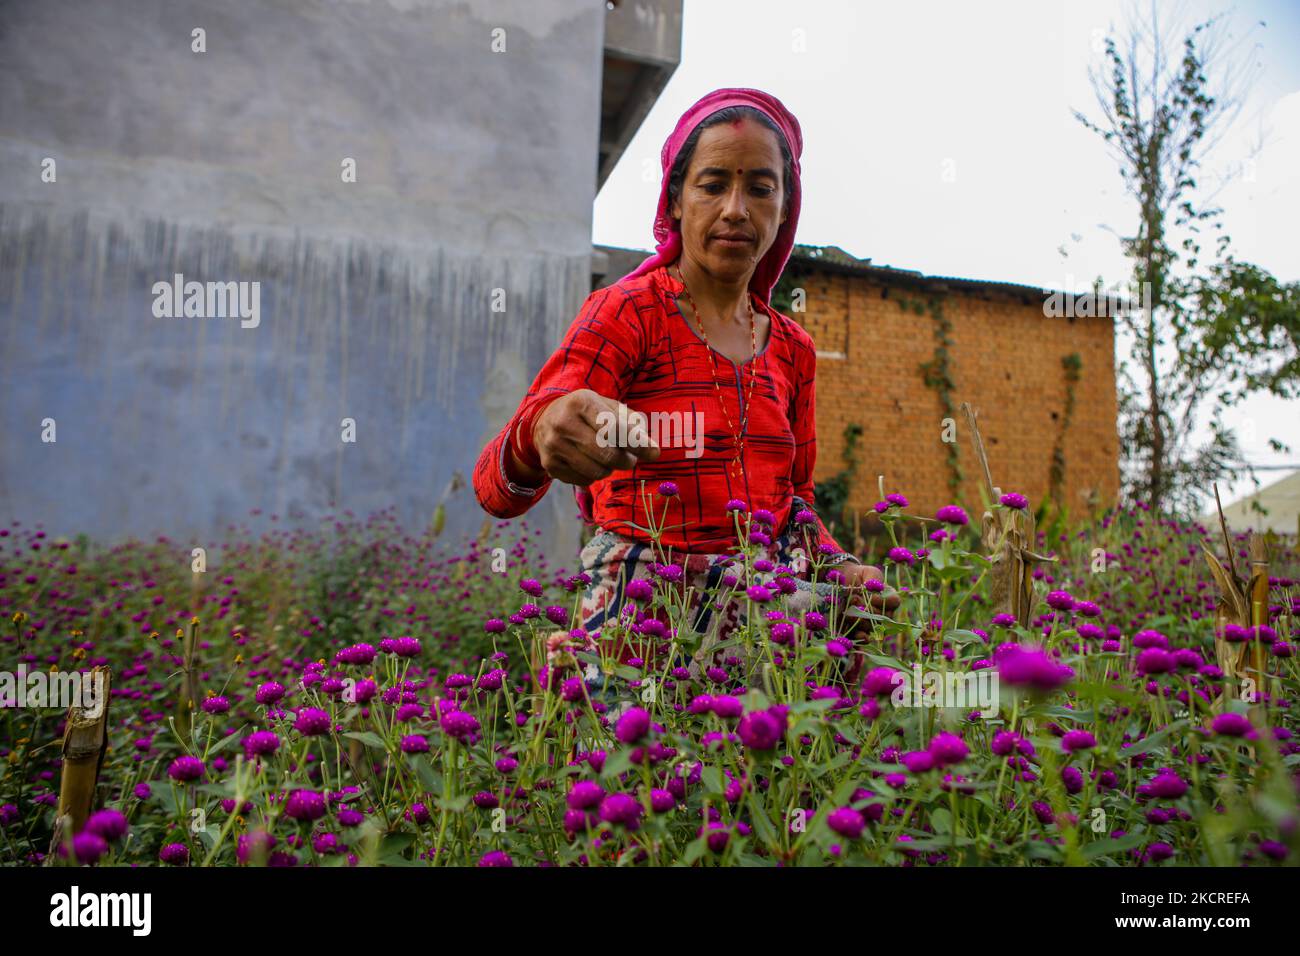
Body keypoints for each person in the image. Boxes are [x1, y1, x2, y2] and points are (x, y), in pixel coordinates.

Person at [473, 87, 897, 687]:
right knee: (644, 779)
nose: (735, 209)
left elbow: (792, 504)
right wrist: (540, 432)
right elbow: (495, 489)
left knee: (890, 721)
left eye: (760, 187)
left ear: (785, 210)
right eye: (712, 183)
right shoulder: (626, 313)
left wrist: (842, 566)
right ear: (674, 200)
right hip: (643, 631)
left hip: (767, 633)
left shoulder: (793, 351)